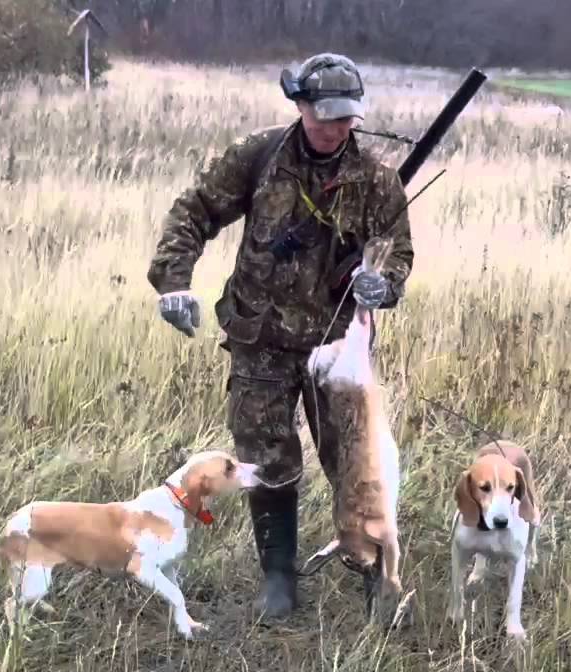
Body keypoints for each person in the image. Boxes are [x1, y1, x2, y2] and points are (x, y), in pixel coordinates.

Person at [146, 52, 414, 619]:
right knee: (265, 458)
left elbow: (399, 256)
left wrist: (379, 284)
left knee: (354, 462)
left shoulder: (377, 178)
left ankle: (374, 572)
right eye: (326, 116)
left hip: (338, 348)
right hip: (259, 338)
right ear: (299, 106)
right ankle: (279, 580)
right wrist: (172, 282)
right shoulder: (259, 156)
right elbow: (194, 211)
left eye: (347, 118)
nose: (338, 128)